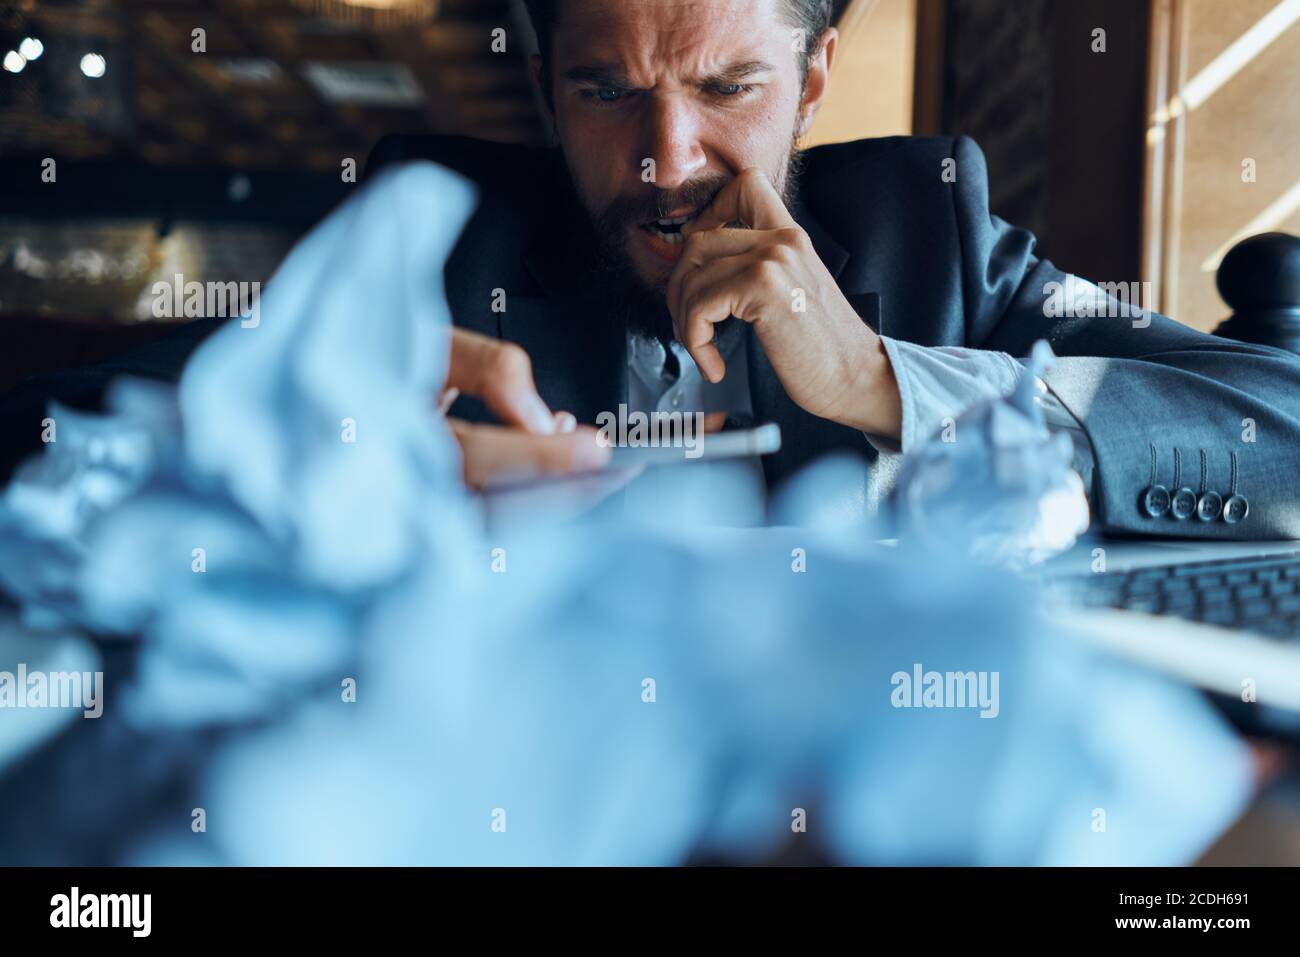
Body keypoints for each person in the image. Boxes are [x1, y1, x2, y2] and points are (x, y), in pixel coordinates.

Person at [4, 0, 1300, 538]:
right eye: (606, 91)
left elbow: (1278, 425)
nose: (665, 157)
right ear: (544, 92)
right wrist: (300, 448)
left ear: (815, 81)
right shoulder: (433, 245)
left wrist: (882, 376)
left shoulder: (936, 235)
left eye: (730, 87)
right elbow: (45, 435)